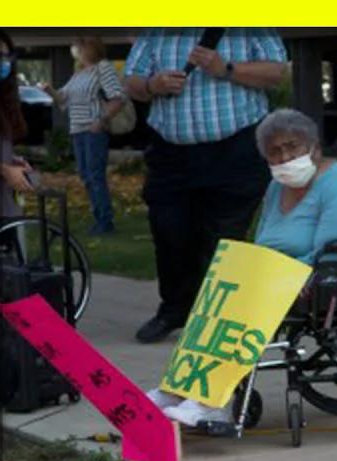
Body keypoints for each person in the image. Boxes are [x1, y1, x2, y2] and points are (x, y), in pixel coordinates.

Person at [148, 109, 337, 426]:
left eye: (292, 146)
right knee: (215, 299)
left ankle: (213, 402)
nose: (285, 156)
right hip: (284, 274)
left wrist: (276, 275)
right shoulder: (277, 187)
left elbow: (336, 251)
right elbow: (265, 241)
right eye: (275, 151)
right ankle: (180, 387)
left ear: (314, 147)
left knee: (244, 304)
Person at [122, 28, 289, 344]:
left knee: (223, 242)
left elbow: (277, 72)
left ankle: (215, 322)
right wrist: (151, 85)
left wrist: (226, 69)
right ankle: (174, 310)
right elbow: (131, 80)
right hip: (170, 153)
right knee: (170, 233)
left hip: (234, 150)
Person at [39, 37, 125, 235]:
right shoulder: (79, 73)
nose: (74, 50)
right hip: (77, 130)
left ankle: (105, 222)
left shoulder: (102, 68)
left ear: (89, 48)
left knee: (95, 176)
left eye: (78, 47)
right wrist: (48, 90)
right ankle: (99, 218)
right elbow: (63, 97)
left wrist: (101, 120)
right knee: (86, 176)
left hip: (93, 130)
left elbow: (117, 97)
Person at [0, 29, 34, 223]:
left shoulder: (1, 98)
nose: (3, 61)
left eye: (6, 55)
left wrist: (10, 160)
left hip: (2, 205)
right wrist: (3, 168)